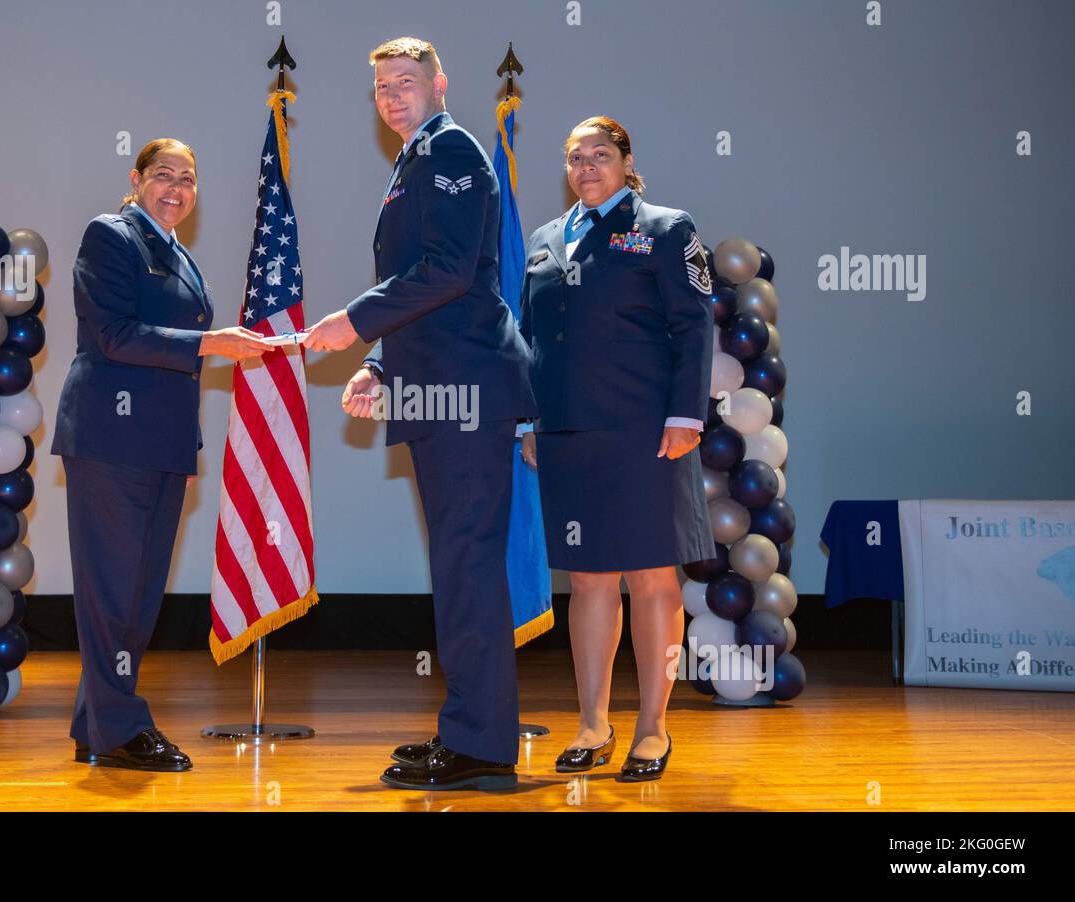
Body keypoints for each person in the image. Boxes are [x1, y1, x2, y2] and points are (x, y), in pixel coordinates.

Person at [304, 37, 537, 791]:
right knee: (458, 562)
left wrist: (356, 322)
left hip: (466, 388)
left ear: (440, 83)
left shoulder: (452, 149)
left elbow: (447, 270)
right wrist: (379, 364)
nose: (393, 95)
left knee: (467, 562)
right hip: (439, 383)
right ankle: (471, 728)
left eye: (406, 80)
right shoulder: (412, 161)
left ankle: (480, 744)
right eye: (381, 86)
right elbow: (430, 284)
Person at [51, 138, 271, 771]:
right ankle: (120, 731)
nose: (176, 188)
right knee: (113, 590)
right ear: (137, 179)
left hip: (162, 446)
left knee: (139, 593)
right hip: (111, 441)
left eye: (188, 179)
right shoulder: (111, 236)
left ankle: (94, 724)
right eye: (163, 176)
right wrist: (210, 342)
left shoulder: (178, 256)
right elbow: (113, 334)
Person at [517, 116, 715, 781]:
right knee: (589, 581)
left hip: (647, 431)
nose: (586, 165)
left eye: (599, 154)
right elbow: (528, 337)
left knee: (654, 580)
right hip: (566, 434)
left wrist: (686, 417)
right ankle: (593, 724)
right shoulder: (545, 240)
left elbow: (694, 326)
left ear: (628, 162)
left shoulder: (666, 229)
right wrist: (528, 423)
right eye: (574, 157)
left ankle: (654, 728)